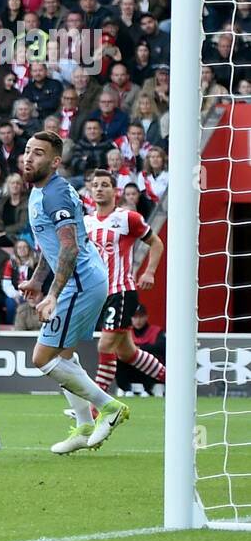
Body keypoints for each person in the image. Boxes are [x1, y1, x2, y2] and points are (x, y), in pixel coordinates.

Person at [17, 132, 128, 454]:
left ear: (54, 162)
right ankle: (82, 426)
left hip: (79, 283)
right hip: (84, 280)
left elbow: (69, 245)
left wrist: (52, 294)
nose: (29, 158)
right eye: (27, 151)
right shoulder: (40, 191)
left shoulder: (54, 195)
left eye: (38, 154)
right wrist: (38, 281)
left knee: (42, 358)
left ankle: (109, 407)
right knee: (64, 356)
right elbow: (50, 247)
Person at [84, 169, 166, 399]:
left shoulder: (127, 218)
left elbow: (156, 243)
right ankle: (176, 382)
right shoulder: (86, 223)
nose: (99, 188)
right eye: (96, 185)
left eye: (105, 185)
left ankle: (97, 408)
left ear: (115, 190)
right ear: (90, 190)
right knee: (127, 352)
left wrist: (149, 272)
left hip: (121, 291)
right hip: (99, 296)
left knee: (105, 347)